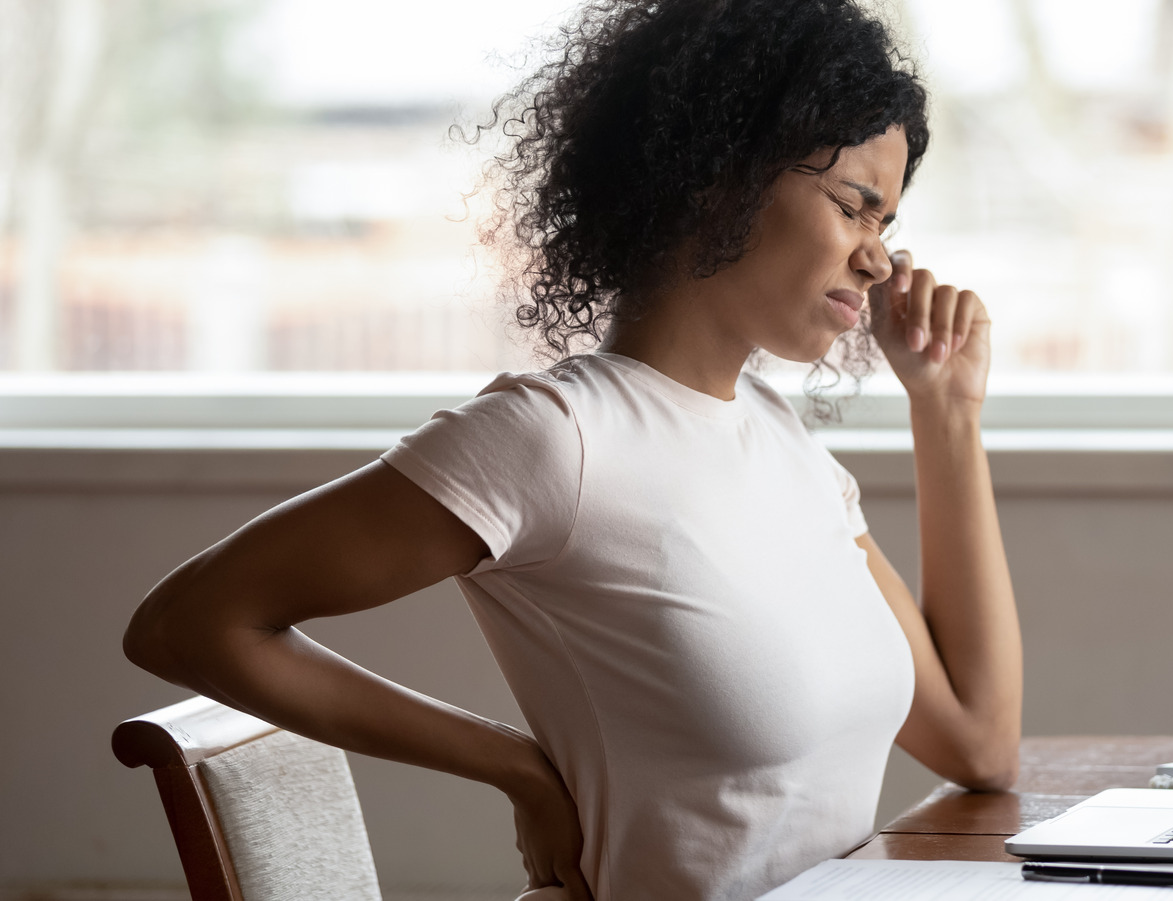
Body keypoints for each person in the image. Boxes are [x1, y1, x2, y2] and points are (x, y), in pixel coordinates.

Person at [122, 1, 1022, 899]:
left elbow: (979, 743)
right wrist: (513, 764)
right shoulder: (555, 438)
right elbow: (188, 624)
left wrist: (947, 408)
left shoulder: (782, 441)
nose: (878, 260)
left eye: (886, 226)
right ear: (719, 172)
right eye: (855, 207)